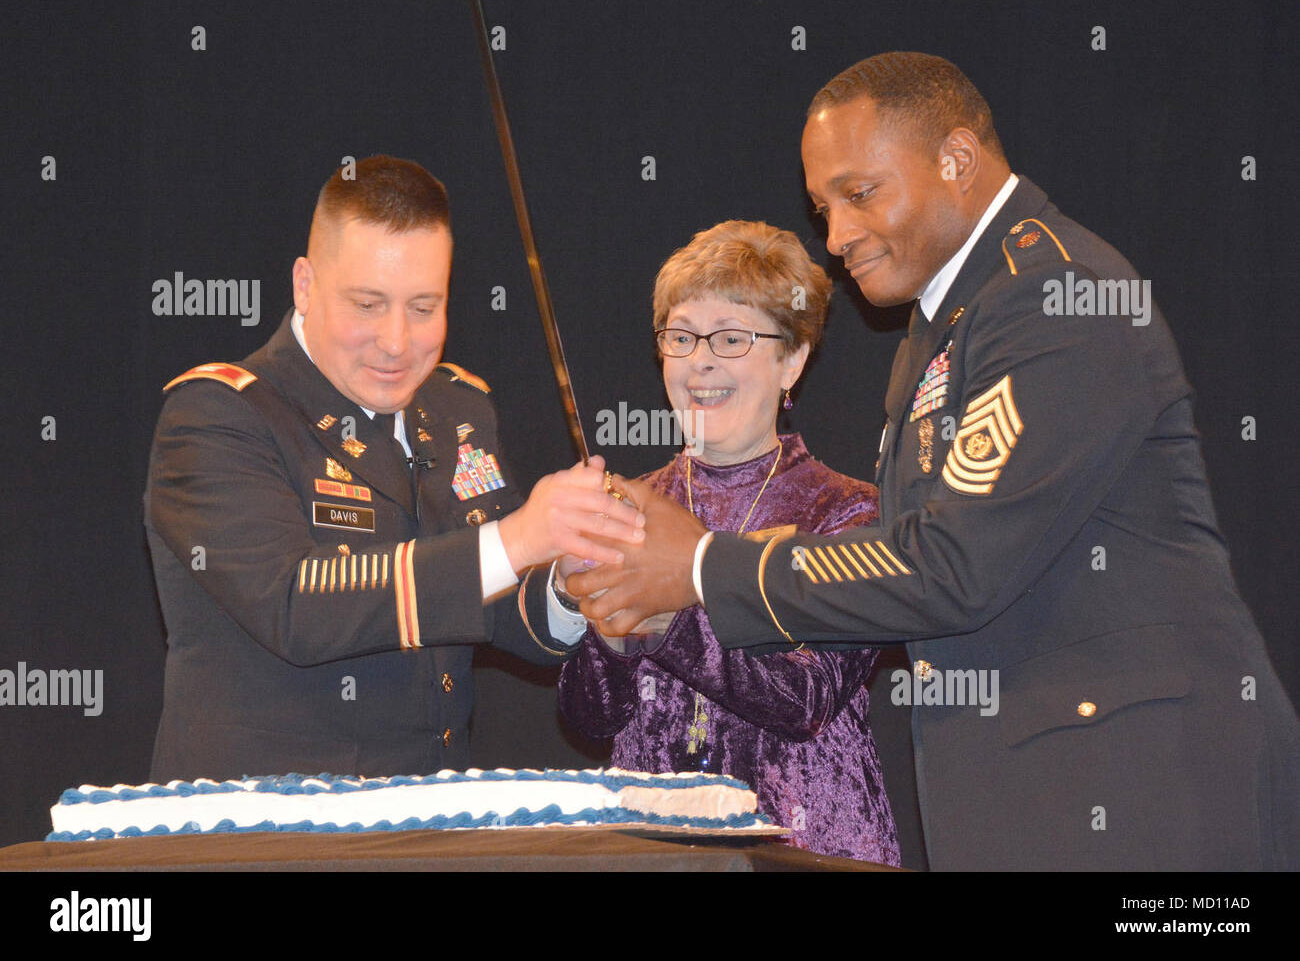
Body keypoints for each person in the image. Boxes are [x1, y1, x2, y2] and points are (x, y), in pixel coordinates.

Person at [569, 53, 1300, 870]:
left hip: (1138, 792)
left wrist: (702, 566)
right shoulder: (945, 328)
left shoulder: (1053, 295)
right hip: (1027, 792)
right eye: (822, 207)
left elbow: (951, 567)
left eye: (859, 193)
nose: (837, 234)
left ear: (955, 160)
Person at [146, 155, 641, 782]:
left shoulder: (460, 406)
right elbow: (296, 606)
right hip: (258, 834)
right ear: (304, 284)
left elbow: (496, 608)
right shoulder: (216, 415)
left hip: (422, 826)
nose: (398, 342)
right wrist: (516, 539)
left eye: (424, 307)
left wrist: (572, 579)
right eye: (368, 305)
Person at [556, 220, 899, 864]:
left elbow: (805, 700)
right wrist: (606, 634)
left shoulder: (853, 514)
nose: (701, 359)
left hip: (806, 850)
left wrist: (665, 620)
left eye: (732, 338)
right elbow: (587, 719)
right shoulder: (624, 506)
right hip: (651, 851)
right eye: (681, 336)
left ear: (791, 359)